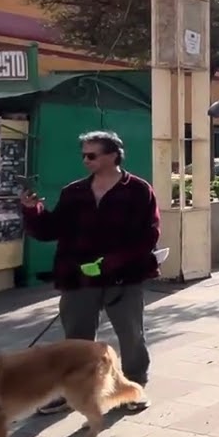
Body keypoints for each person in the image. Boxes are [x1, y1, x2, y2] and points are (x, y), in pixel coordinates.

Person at [20, 131, 159, 415]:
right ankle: (73, 391)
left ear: (113, 155)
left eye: (92, 155)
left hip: (123, 277)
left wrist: (114, 261)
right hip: (78, 276)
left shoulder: (138, 190)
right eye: (83, 155)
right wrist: (33, 210)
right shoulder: (74, 192)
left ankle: (133, 388)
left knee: (131, 336)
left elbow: (149, 236)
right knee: (76, 340)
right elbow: (50, 230)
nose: (85, 160)